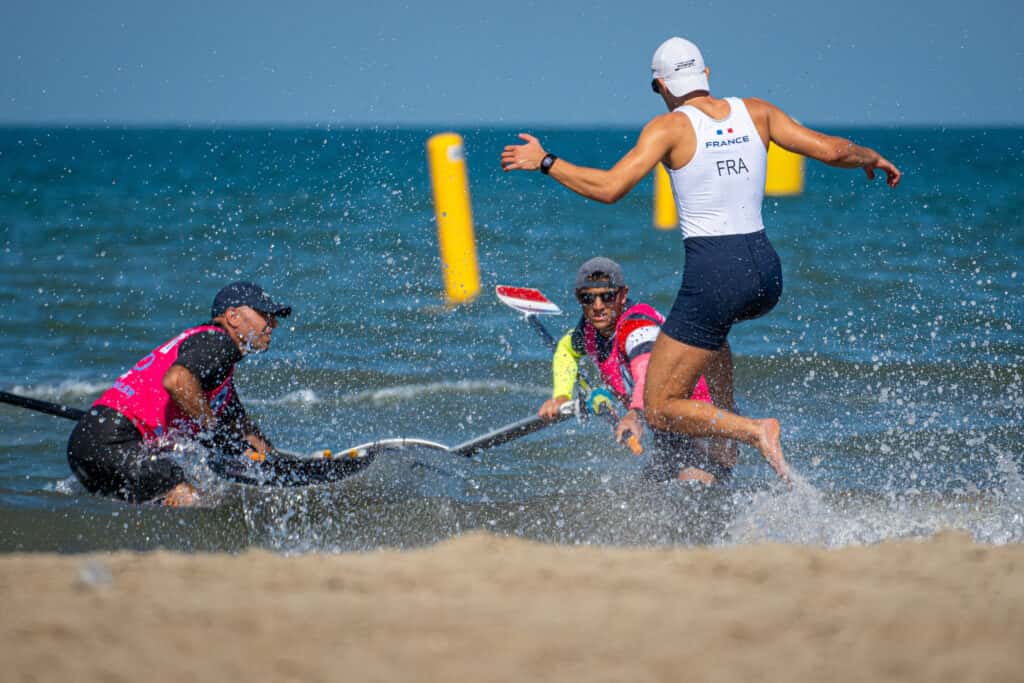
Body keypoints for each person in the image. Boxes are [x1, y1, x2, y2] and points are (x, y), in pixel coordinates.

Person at [502, 37, 902, 481]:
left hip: (716, 273)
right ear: (707, 75)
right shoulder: (757, 111)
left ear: (659, 86)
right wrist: (873, 157)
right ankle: (725, 434)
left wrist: (546, 161)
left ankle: (752, 431)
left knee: (659, 409)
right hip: (766, 273)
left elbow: (610, 188)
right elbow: (831, 150)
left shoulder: (669, 128)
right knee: (713, 334)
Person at [66, 282, 291, 506]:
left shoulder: (217, 369)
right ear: (233, 316)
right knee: (190, 494)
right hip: (111, 441)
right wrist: (213, 431)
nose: (273, 324)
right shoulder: (217, 341)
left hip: (93, 443)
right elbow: (176, 381)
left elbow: (244, 432)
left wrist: (282, 465)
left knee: (176, 492)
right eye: (265, 315)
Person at [538, 256, 734, 484]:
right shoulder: (589, 330)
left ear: (622, 295)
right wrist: (562, 395)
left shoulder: (638, 329)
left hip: (700, 423)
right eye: (588, 298)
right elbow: (565, 349)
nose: (598, 306)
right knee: (651, 493)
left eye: (607, 296)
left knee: (692, 493)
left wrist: (635, 414)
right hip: (667, 428)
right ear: (578, 298)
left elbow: (647, 376)